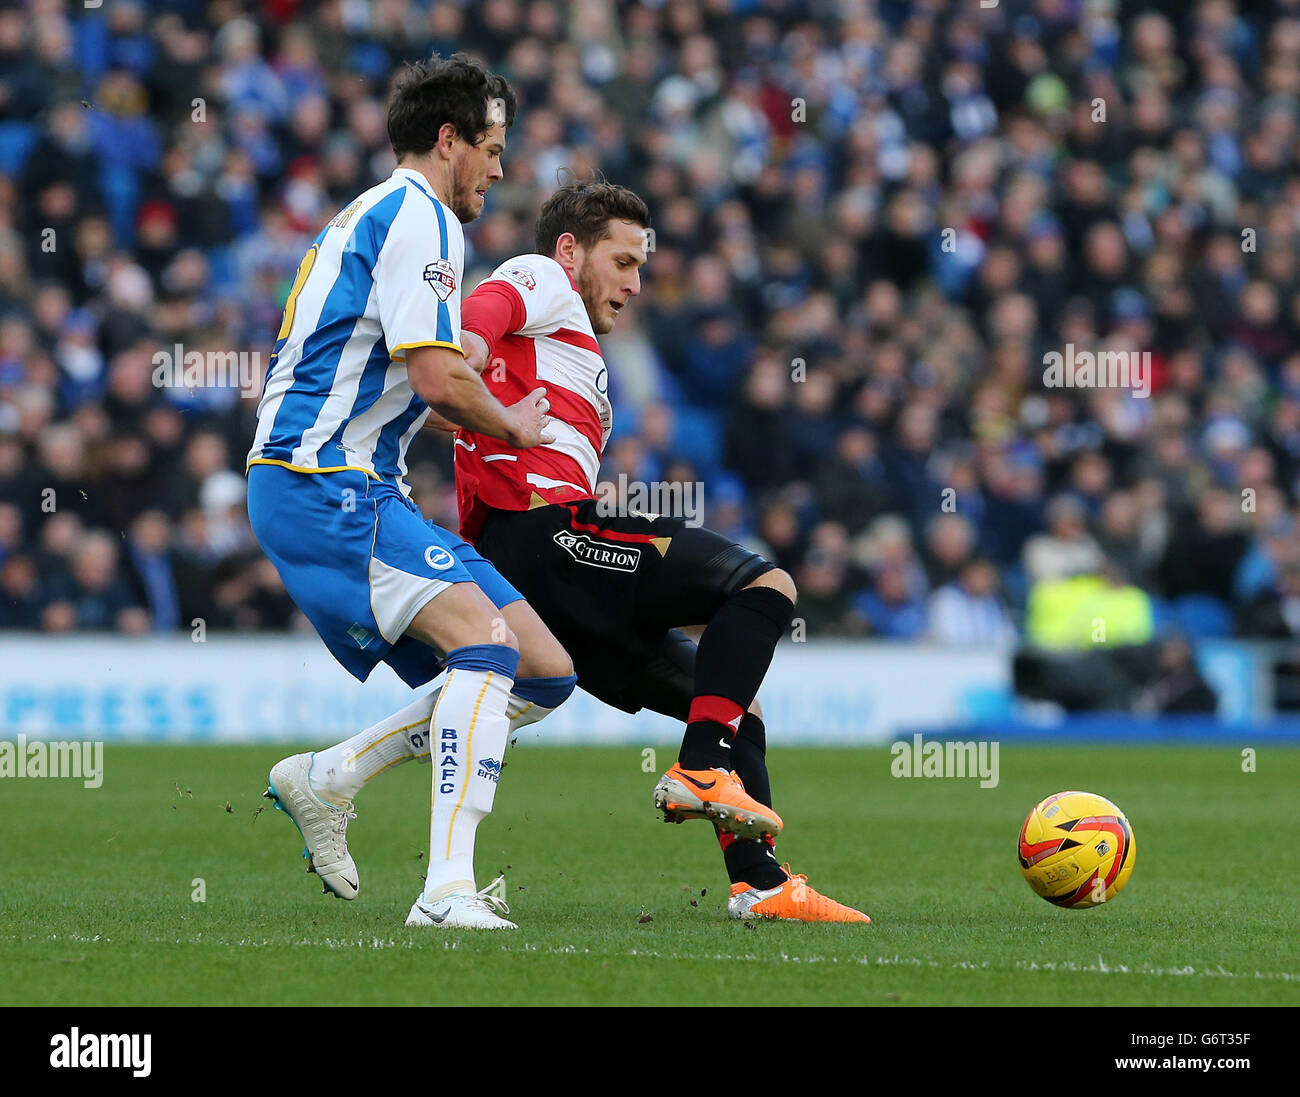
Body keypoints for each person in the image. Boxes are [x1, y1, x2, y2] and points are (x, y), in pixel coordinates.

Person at [417, 179, 869, 922]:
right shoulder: (541, 277)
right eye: (622, 261)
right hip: (549, 535)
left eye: (641, 266)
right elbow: (470, 332)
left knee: (733, 707)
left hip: (539, 578)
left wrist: (479, 410)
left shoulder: (566, 350)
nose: (634, 283)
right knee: (763, 585)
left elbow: (451, 402)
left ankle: (758, 883)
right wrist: (472, 383)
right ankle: (697, 770)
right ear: (570, 250)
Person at [247, 55, 576, 931]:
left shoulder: (370, 216)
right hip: (324, 483)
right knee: (487, 643)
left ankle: (333, 775)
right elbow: (435, 377)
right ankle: (446, 890)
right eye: (493, 148)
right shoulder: (424, 218)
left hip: (341, 480)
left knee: (543, 671)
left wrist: (478, 409)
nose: (500, 170)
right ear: (449, 141)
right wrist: (512, 423)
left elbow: (386, 382)